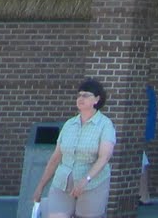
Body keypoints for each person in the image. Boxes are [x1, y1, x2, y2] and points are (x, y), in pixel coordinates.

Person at [32, 80, 115, 218]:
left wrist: (86, 179)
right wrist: (40, 186)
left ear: (97, 99)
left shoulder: (105, 125)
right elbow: (56, 158)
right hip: (62, 182)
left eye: (86, 95)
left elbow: (104, 157)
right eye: (79, 95)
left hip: (93, 184)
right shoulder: (69, 124)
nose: (80, 99)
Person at [139, 83, 156, 205]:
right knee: (143, 160)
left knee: (142, 160)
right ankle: (144, 194)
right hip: (145, 131)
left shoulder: (144, 92)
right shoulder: (149, 92)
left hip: (141, 132)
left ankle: (144, 195)